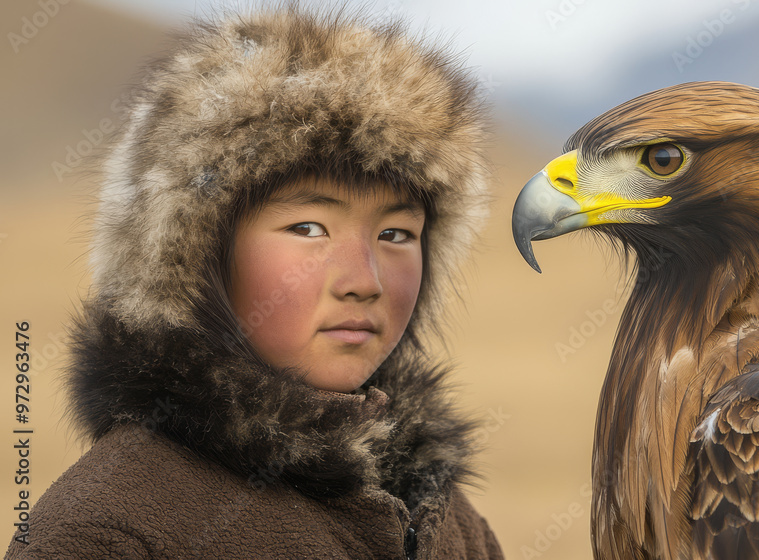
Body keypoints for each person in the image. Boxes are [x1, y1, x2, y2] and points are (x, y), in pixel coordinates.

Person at [5, 6, 501, 559]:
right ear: (193, 258)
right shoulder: (107, 531)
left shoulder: (450, 522)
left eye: (396, 233)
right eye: (308, 227)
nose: (365, 280)